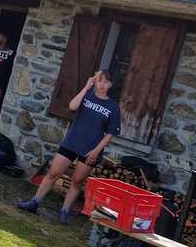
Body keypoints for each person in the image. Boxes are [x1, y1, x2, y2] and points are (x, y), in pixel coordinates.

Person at [16, 70, 121, 224]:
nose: (102, 84)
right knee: (53, 173)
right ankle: (34, 202)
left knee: (77, 181)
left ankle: (64, 212)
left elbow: (110, 133)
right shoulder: (87, 96)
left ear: (110, 85)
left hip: (91, 149)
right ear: (95, 81)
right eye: (99, 80)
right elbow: (72, 106)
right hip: (72, 142)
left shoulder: (113, 106)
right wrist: (86, 88)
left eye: (106, 82)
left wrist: (96, 151)